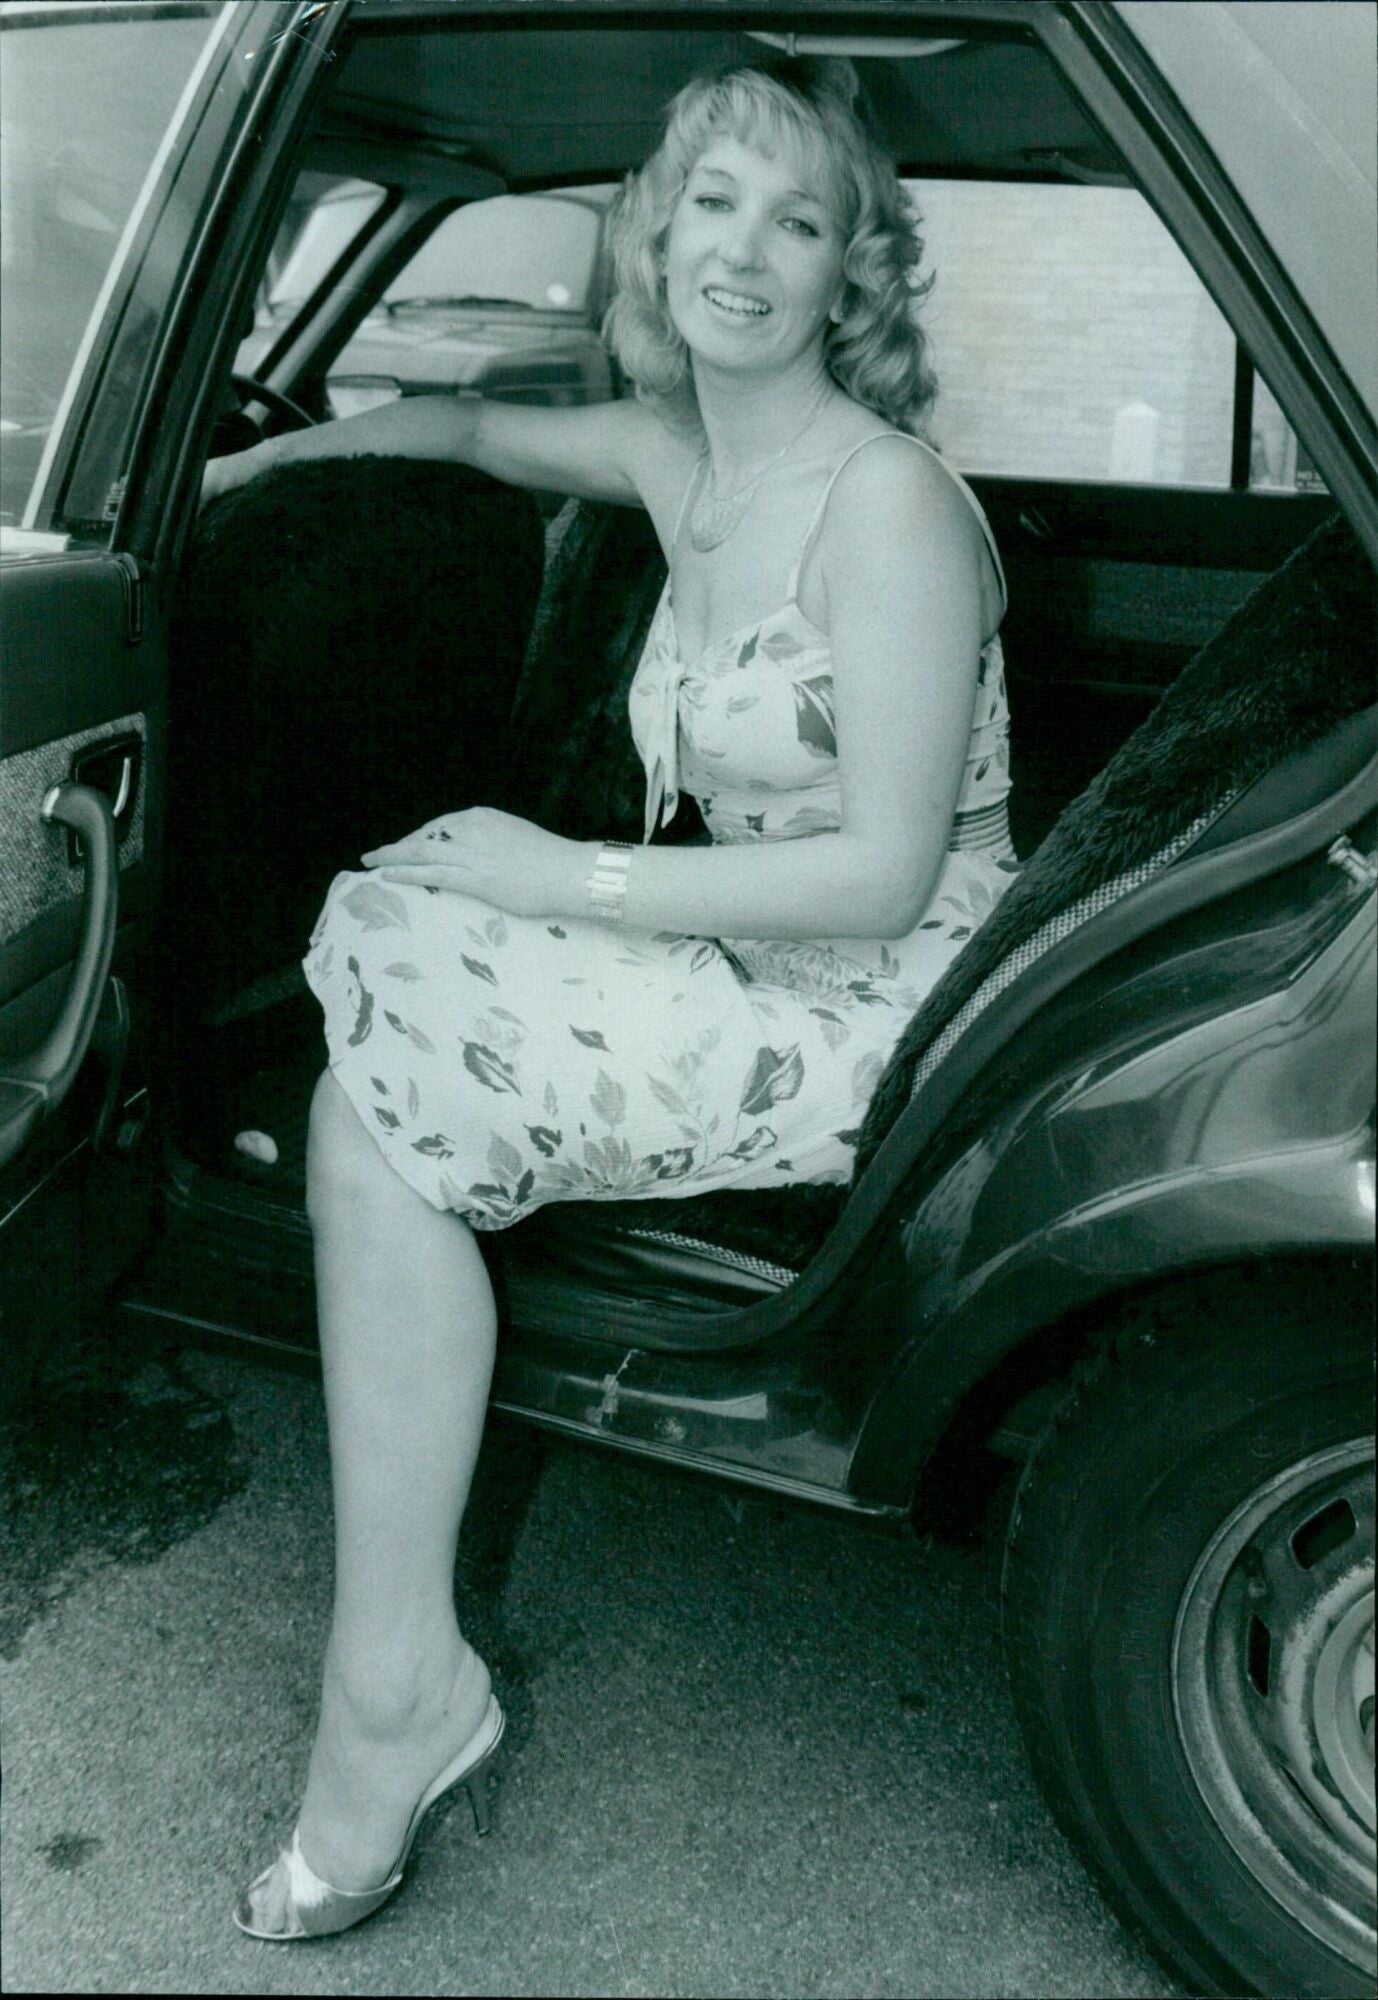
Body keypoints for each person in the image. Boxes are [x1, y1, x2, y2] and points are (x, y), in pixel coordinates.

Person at [209, 57, 1016, 1941]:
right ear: (652, 228)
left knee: (395, 1004)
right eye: (712, 202)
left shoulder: (886, 502)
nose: (745, 249)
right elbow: (480, 437)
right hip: (741, 949)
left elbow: (885, 873)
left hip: (878, 1006)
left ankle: (393, 1695)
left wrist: (552, 873)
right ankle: (397, 1681)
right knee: (388, 995)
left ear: (848, 273)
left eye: (799, 220)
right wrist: (259, 458)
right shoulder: (684, 452)